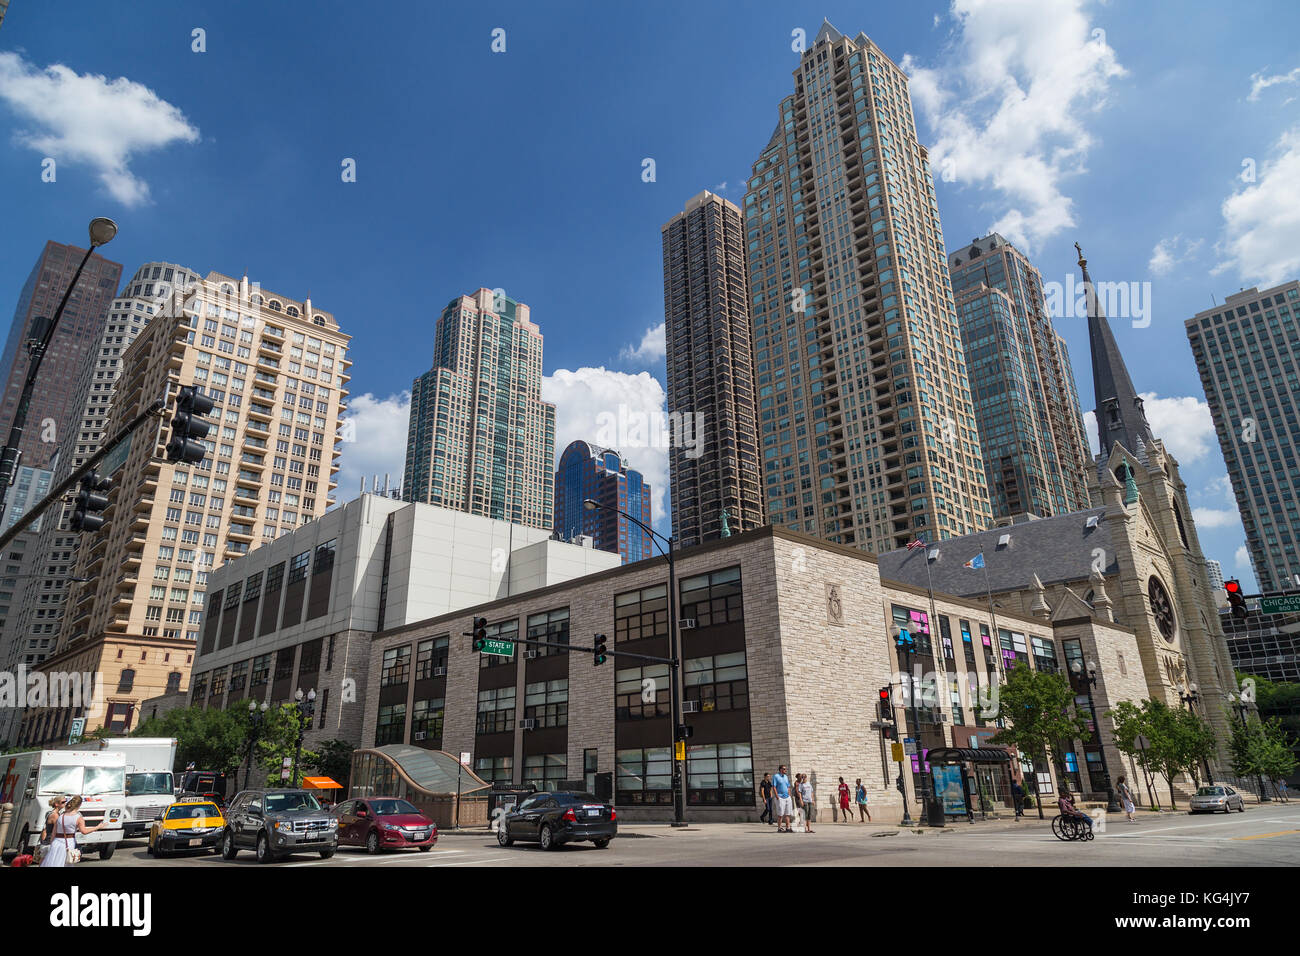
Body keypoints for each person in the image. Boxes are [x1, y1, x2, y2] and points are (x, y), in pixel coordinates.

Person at [40, 796, 106, 867]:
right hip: (69, 841)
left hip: (56, 842)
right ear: (79, 805)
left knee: (53, 863)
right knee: (66, 863)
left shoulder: (61, 816)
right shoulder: (78, 818)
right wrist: (97, 827)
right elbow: (84, 831)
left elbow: (53, 833)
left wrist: (52, 843)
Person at [772, 765, 794, 833]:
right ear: (780, 769)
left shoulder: (786, 777)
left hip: (787, 797)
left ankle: (788, 827)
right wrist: (777, 796)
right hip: (780, 797)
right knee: (780, 814)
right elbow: (774, 787)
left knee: (788, 813)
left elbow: (788, 786)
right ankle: (779, 828)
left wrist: (789, 795)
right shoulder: (776, 776)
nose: (785, 770)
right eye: (784, 769)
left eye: (785, 769)